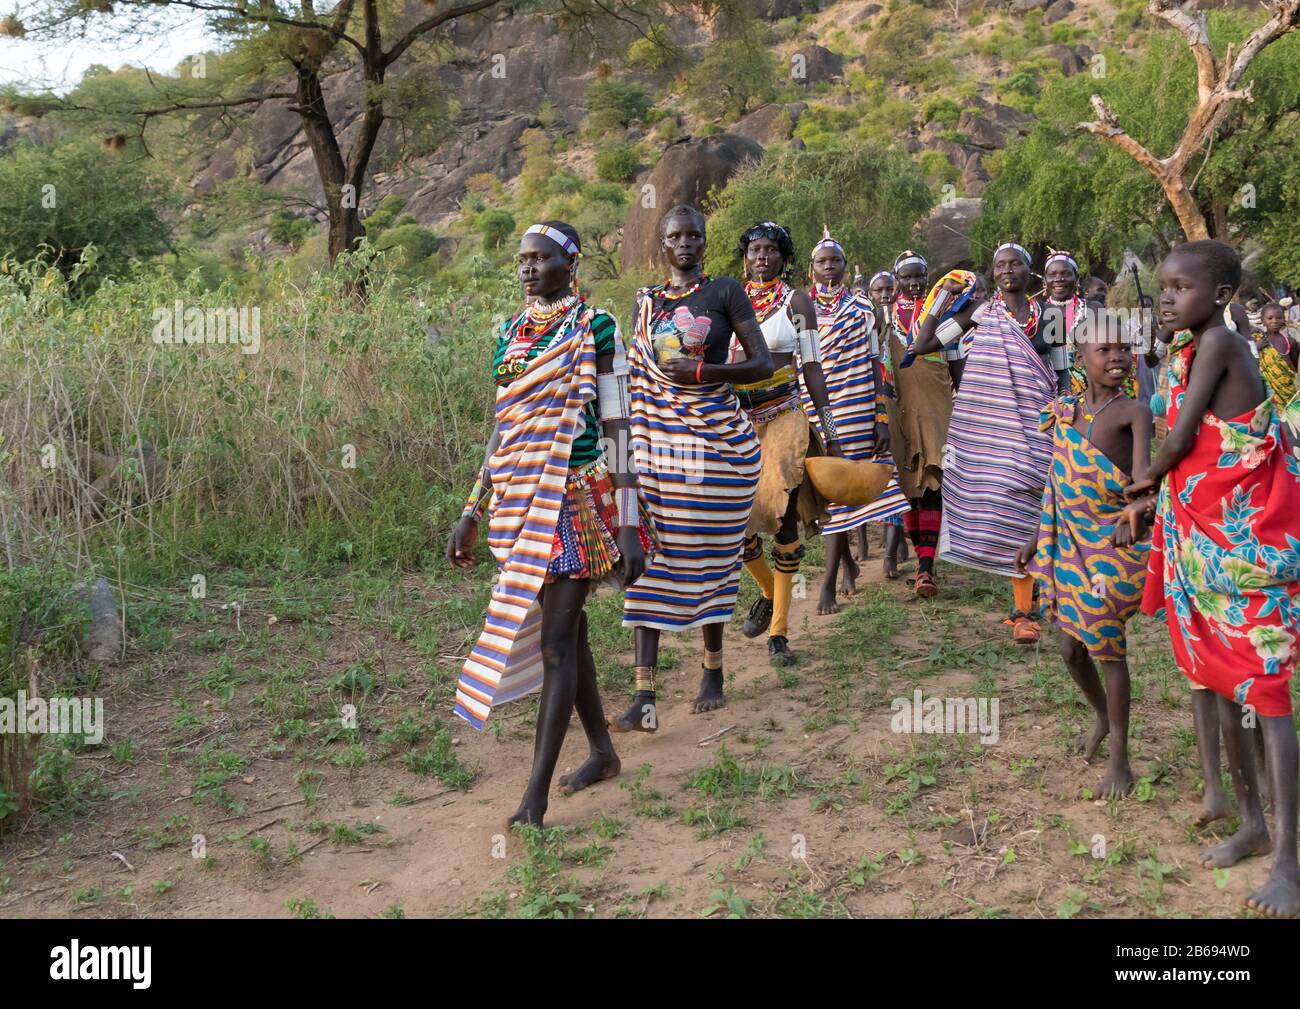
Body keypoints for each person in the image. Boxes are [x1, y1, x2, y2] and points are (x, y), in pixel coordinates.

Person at [448, 221, 655, 827]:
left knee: (556, 644)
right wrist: (472, 508)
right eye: (522, 259)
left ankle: (533, 798)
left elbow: (616, 423)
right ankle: (602, 751)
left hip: (575, 500)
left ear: (572, 265)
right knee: (571, 637)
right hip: (518, 498)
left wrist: (628, 517)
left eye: (541, 258)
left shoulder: (597, 327)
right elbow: (503, 428)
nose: (528, 268)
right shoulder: (512, 334)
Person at [1125, 239, 1300, 918]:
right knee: (1226, 685)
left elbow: (1178, 439)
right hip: (1204, 544)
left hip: (1248, 546)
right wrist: (1156, 499)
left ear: (1220, 296)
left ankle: (1289, 859)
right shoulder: (1183, 351)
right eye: (1163, 287)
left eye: (1181, 288)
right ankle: (1252, 822)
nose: (1167, 298)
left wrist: (1138, 489)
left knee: (1269, 695)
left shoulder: (1222, 344)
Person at [611, 204, 774, 730]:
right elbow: (632, 370)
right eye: (676, 236)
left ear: (706, 243)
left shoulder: (726, 291)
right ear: (663, 245)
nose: (686, 243)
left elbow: (762, 364)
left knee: (707, 557)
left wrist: (705, 369)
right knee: (650, 556)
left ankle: (714, 672)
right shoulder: (645, 302)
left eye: (694, 236)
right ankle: (644, 696)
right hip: (656, 443)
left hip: (716, 445)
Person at [911, 243, 1069, 643]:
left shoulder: (1048, 315)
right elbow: (923, 344)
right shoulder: (979, 315)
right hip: (991, 429)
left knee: (1037, 505)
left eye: (1016, 263)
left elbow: (1061, 370)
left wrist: (1064, 414)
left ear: (1030, 271)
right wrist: (941, 297)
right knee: (1006, 500)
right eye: (1000, 265)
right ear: (993, 272)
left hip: (1039, 422)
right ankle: (1023, 609)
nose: (1007, 270)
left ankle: (1035, 603)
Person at [1017, 336, 1151, 798]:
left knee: (1107, 649)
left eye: (1124, 350)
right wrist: (1036, 538)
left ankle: (1120, 761)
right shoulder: (1063, 413)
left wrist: (1139, 510)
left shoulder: (1134, 412)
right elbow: (1058, 479)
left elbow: (1142, 482)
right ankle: (1100, 717)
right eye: (1104, 350)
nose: (1116, 358)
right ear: (1080, 359)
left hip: (1114, 544)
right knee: (1071, 651)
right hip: (1067, 543)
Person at [732, 221, 839, 665]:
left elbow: (811, 365)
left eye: (771, 250)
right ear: (746, 257)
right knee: (737, 520)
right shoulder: (730, 298)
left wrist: (828, 427)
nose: (762, 257)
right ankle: (765, 590)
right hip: (737, 419)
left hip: (784, 416)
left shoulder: (797, 302)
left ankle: (778, 633)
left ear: (785, 258)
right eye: (755, 250)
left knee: (784, 518)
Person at [806, 229, 909, 612]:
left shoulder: (863, 309)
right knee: (829, 494)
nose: (829, 267)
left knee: (851, 489)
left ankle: (830, 583)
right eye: (822, 261)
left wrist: (882, 417)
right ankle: (843, 566)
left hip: (861, 408)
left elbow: (877, 362)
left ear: (846, 267)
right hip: (818, 412)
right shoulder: (801, 310)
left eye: (836, 261)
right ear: (811, 268)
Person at [880, 251, 954, 598]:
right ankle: (920, 556)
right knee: (908, 484)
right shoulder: (883, 315)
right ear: (897, 279)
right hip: (899, 407)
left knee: (933, 481)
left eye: (918, 276)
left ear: (928, 277)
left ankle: (926, 567)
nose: (912, 283)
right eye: (906, 276)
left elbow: (956, 360)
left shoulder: (943, 312)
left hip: (936, 404)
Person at [865, 269, 908, 576]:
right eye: (878, 290)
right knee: (880, 476)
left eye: (889, 289)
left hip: (906, 405)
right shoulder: (866, 322)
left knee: (899, 477)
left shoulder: (909, 320)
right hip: (875, 409)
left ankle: (893, 551)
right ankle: (874, 548)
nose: (884, 294)